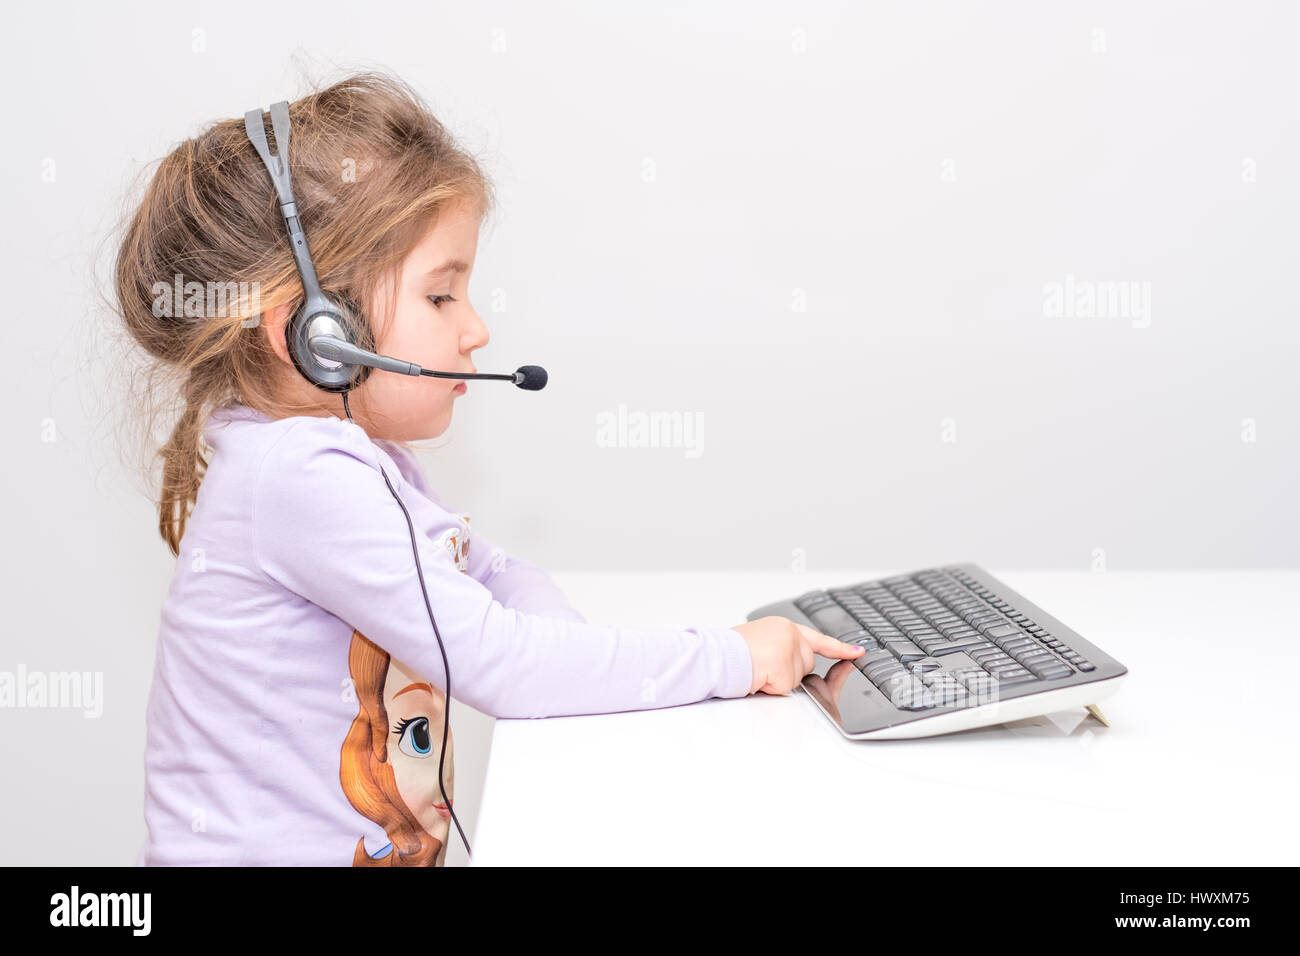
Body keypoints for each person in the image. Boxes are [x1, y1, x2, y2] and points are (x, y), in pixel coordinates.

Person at [117, 71, 862, 866]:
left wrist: (578, 659)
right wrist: (733, 657)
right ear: (316, 332)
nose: (476, 329)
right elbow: (499, 663)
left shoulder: (358, 465)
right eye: (442, 297)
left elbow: (495, 578)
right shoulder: (300, 475)